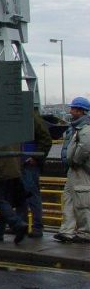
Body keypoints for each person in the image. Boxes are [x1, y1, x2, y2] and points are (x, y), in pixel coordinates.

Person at [54, 96, 90, 243]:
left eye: (73, 109)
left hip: (81, 170)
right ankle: (66, 231)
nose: (70, 111)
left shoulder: (85, 128)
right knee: (68, 200)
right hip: (73, 169)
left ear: (81, 111)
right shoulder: (76, 127)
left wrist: (75, 161)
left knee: (82, 202)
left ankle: (85, 233)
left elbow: (85, 148)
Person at [15, 109, 53, 238]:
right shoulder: (26, 117)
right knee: (20, 195)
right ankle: (22, 225)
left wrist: (35, 158)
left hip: (28, 163)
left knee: (32, 195)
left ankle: (36, 227)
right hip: (21, 161)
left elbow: (46, 139)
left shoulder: (31, 118)